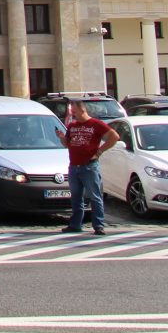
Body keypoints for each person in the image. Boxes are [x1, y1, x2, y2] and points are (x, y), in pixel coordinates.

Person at [56, 99, 118, 235]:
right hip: (74, 166)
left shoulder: (95, 124)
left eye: (74, 111)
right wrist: (61, 137)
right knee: (76, 197)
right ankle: (75, 224)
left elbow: (114, 136)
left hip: (89, 166)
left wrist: (99, 151)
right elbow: (67, 144)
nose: (73, 114)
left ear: (82, 110)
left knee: (95, 196)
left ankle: (98, 225)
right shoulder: (72, 126)